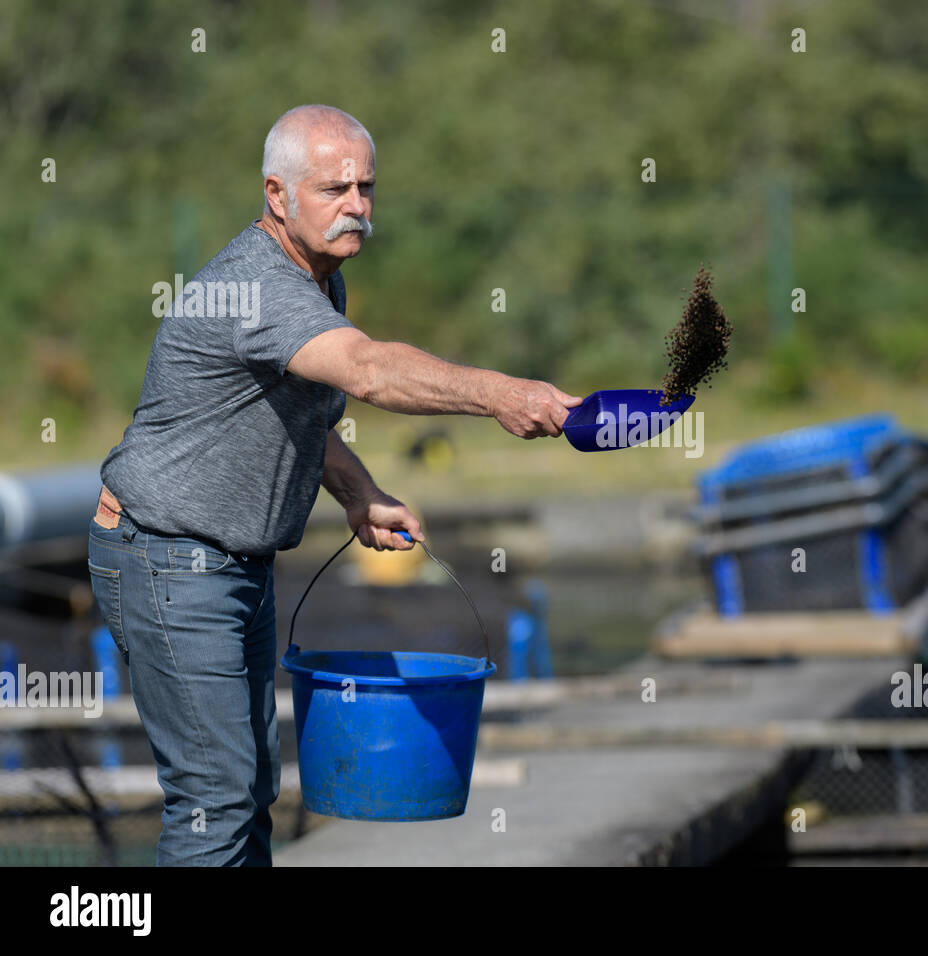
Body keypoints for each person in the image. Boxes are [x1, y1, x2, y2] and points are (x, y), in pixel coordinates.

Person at [86, 104, 580, 866]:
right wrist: (500, 395)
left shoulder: (319, 281)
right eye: (333, 188)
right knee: (213, 797)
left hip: (227, 562)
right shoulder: (259, 287)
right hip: (165, 558)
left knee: (250, 789)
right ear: (277, 196)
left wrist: (357, 493)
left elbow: (303, 422)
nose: (357, 205)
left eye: (366, 187)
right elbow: (371, 370)